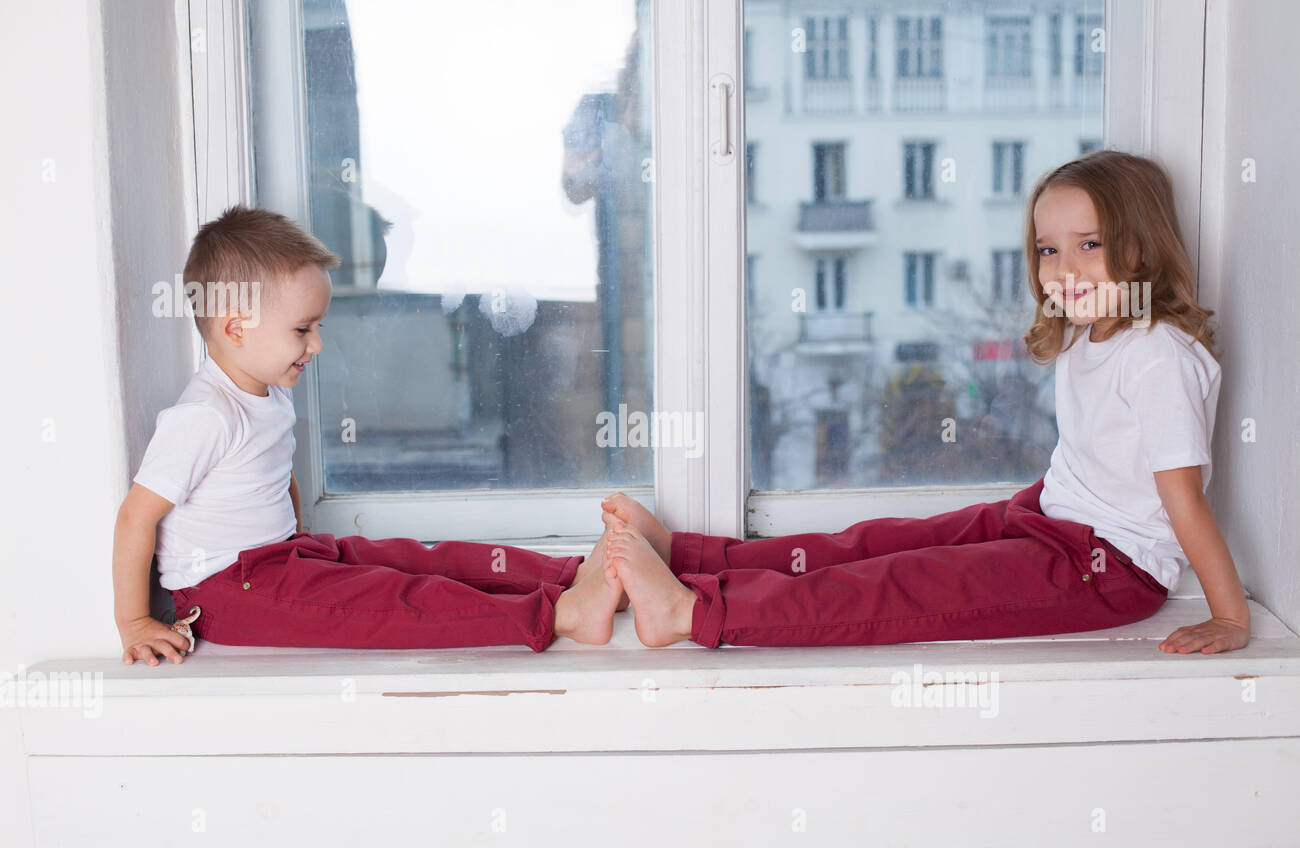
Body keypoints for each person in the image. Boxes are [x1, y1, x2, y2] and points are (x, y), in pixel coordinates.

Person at [599, 150, 1251, 656]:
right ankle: (690, 560)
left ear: (1139, 246)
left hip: (1107, 567)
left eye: (1089, 245)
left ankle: (690, 613)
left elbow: (1183, 498)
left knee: (900, 586)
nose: (1062, 269)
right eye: (1049, 250)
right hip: (1048, 518)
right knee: (875, 544)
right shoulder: (1096, 333)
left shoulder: (1157, 353)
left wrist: (1229, 615)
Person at [113, 206, 621, 665]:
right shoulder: (204, 415)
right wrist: (134, 622)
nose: (317, 344)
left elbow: (273, 473)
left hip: (281, 557)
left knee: (418, 560)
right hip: (230, 591)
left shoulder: (267, 392)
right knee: (394, 602)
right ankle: (561, 614)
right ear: (236, 328)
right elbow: (136, 517)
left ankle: (565, 575)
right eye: (302, 329)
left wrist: (299, 539)